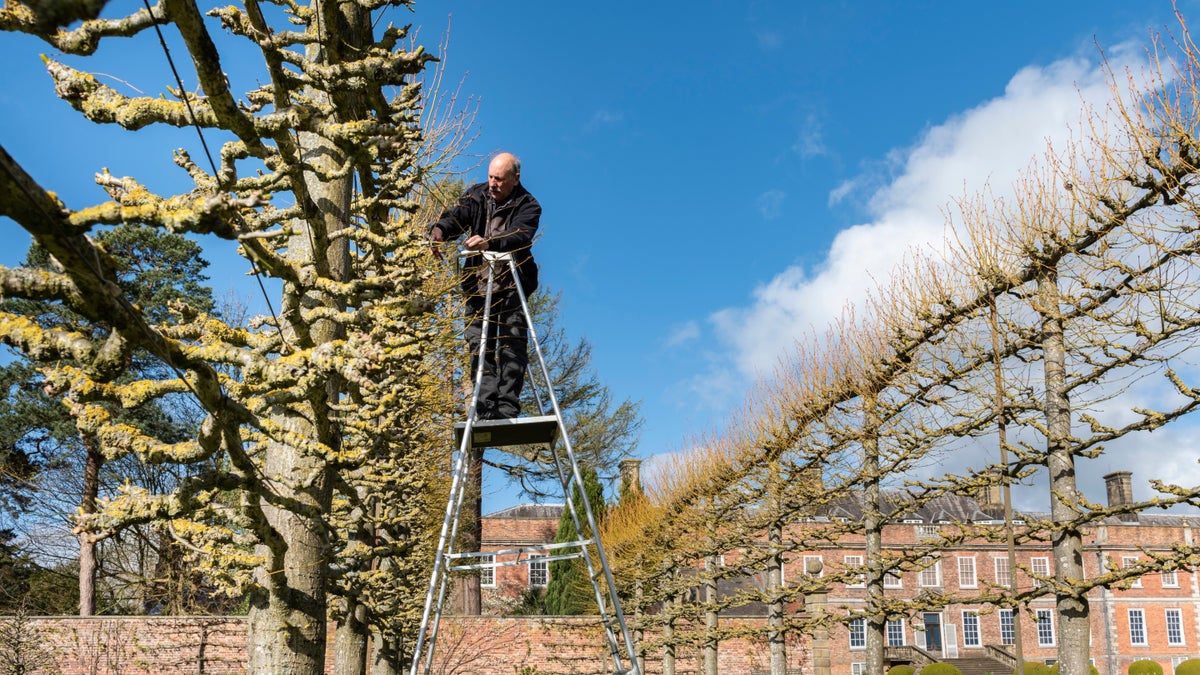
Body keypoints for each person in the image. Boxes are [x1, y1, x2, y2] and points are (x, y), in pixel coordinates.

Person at [430, 152, 540, 420]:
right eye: (490, 177)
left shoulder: (529, 205)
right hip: (478, 284)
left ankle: (506, 407)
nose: (493, 183)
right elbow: (457, 216)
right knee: (479, 344)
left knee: (511, 345)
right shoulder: (477, 195)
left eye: (500, 179)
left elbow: (520, 235)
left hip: (512, 284)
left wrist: (489, 242)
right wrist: (439, 231)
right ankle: (485, 406)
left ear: (515, 179)